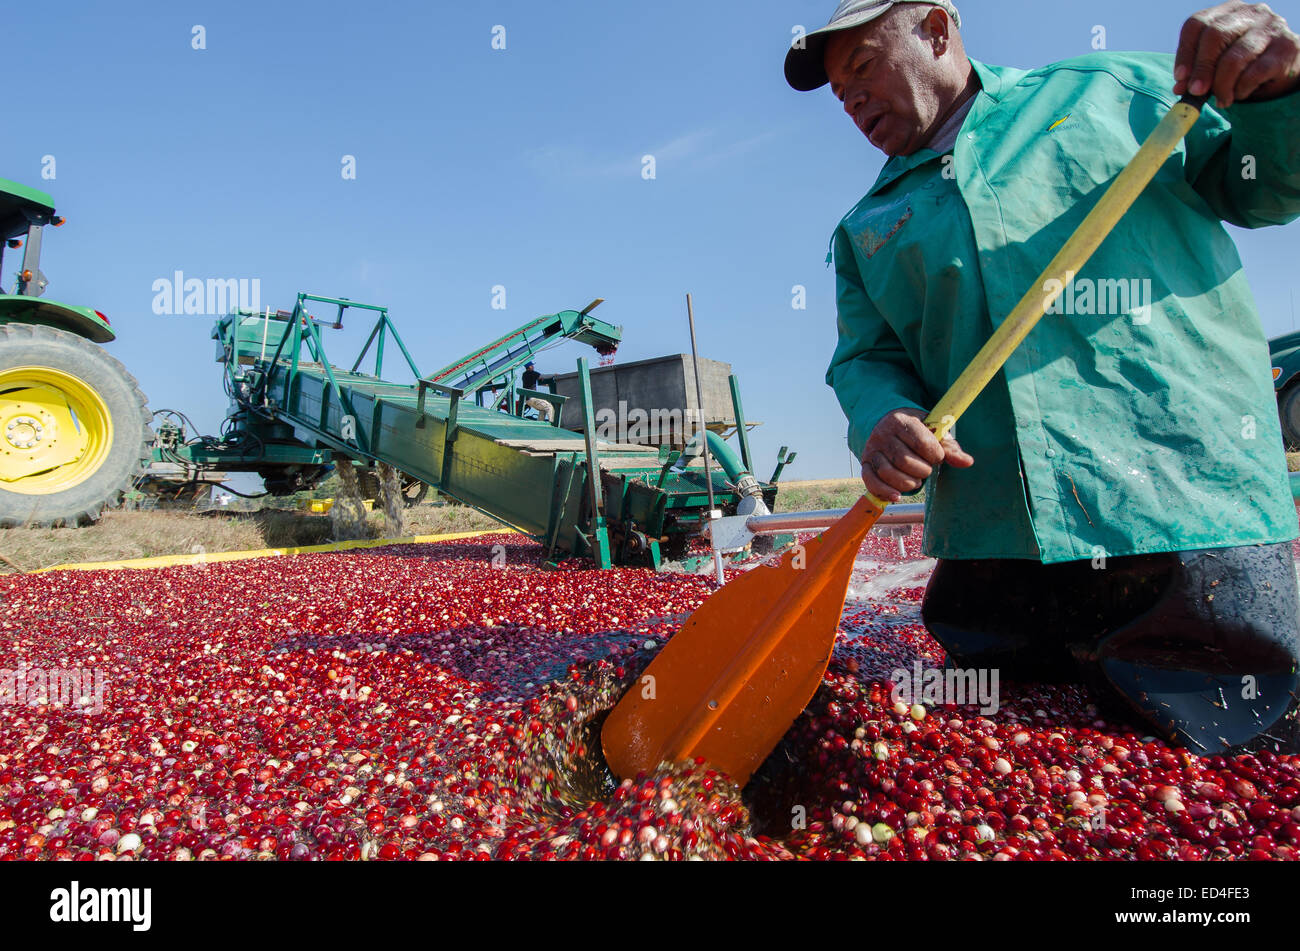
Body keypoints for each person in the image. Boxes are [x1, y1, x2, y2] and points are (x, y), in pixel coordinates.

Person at [785, 0, 1300, 753]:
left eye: (862, 68)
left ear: (936, 28)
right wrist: (882, 422)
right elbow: (866, 361)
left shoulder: (1114, 92)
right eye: (841, 95)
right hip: (996, 564)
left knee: (1239, 783)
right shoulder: (868, 225)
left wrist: (1279, 91)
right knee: (1015, 771)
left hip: (1186, 523)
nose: (854, 100)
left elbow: (1267, 186)